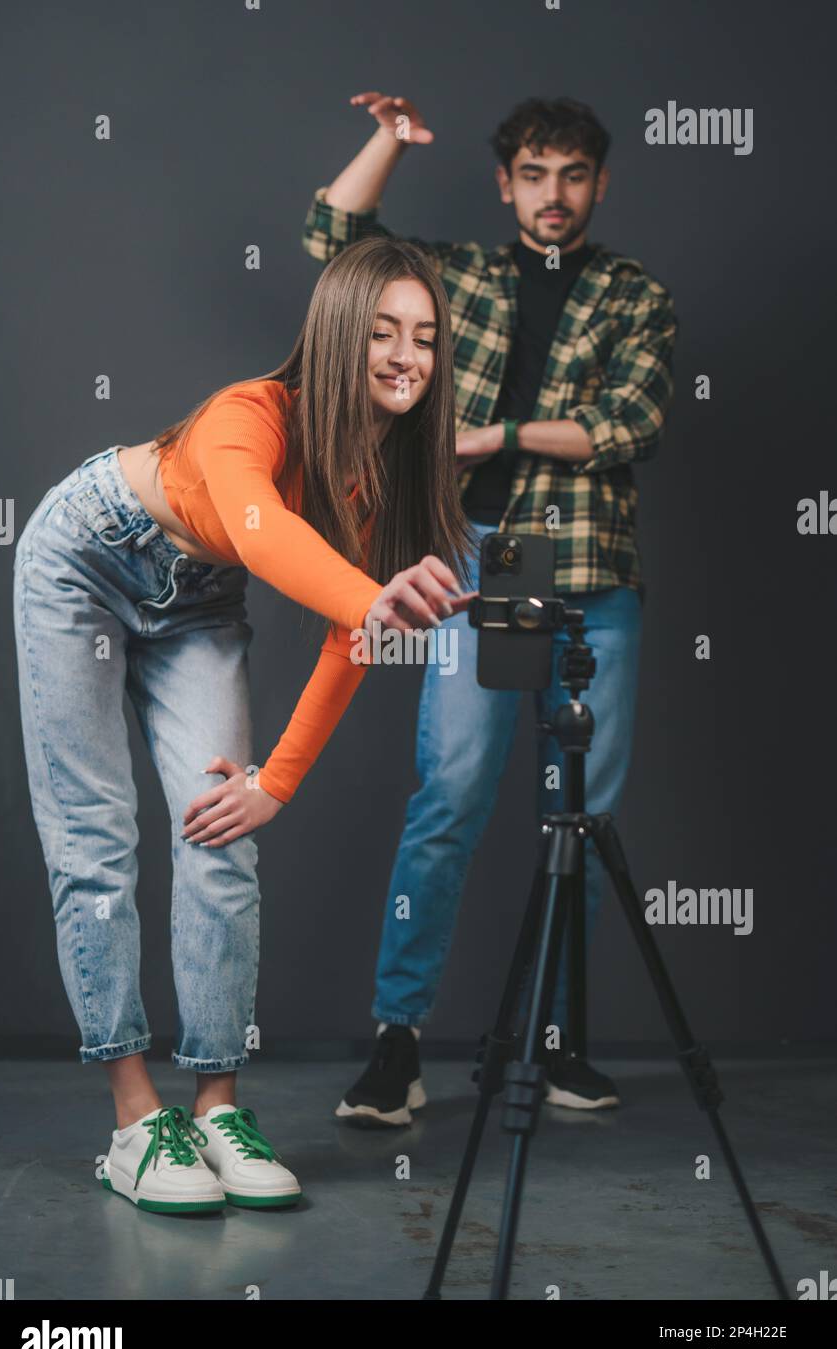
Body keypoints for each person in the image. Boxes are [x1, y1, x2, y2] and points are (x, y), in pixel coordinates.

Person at [12, 235, 474, 1213]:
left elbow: (357, 635)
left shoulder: (384, 472)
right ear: (338, 338)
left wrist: (278, 779)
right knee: (96, 846)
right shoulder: (245, 414)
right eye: (383, 332)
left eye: (426, 339)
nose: (406, 356)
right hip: (83, 564)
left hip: (198, 603)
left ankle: (217, 1107)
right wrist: (370, 597)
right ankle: (137, 1122)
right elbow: (262, 533)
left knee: (222, 832)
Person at [303, 94, 677, 1123]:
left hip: (590, 577)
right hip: (473, 569)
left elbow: (629, 423)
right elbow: (331, 237)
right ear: (503, 183)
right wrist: (388, 139)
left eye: (570, 176)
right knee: (448, 798)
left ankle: (555, 1046)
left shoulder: (632, 293)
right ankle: (397, 1042)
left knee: (581, 820)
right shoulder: (450, 278)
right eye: (531, 173)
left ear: (597, 186)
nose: (550, 195)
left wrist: (495, 433)